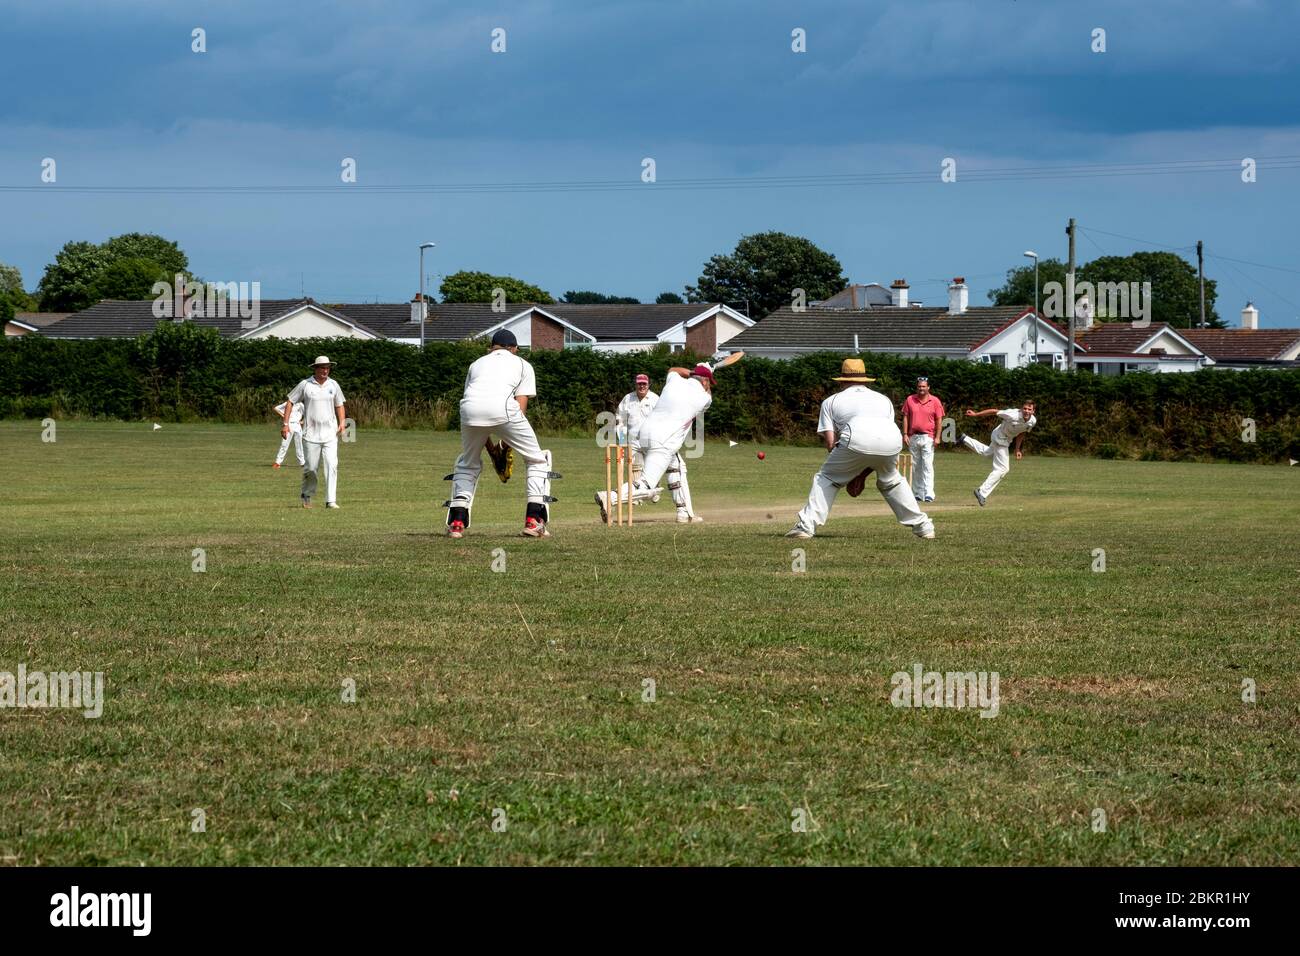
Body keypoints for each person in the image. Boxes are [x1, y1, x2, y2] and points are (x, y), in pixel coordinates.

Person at [785, 358, 934, 540]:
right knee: (891, 480)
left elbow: (831, 445)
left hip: (855, 436)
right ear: (865, 380)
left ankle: (805, 526)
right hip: (892, 438)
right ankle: (924, 527)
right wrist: (861, 474)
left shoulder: (831, 401)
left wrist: (851, 475)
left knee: (827, 477)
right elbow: (878, 442)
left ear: (842, 381)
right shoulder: (884, 400)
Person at [446, 330, 556, 539]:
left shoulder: (476, 364)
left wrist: (494, 450)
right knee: (537, 459)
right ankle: (533, 520)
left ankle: (457, 522)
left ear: (492, 347)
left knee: (468, 463)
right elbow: (520, 406)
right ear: (514, 349)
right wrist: (505, 446)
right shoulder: (522, 364)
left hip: (468, 410)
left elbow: (478, 410)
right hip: (503, 409)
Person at [596, 364, 713, 524]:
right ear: (705, 382)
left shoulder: (674, 381)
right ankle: (610, 497)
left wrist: (694, 371)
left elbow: (673, 369)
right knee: (646, 483)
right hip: (664, 442)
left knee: (677, 468)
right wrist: (707, 375)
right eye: (708, 382)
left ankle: (684, 512)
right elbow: (708, 395)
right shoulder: (702, 398)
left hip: (644, 435)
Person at [284, 357, 347, 509]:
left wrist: (342, 423)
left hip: (330, 434)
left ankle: (330, 500)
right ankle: (307, 494)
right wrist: (285, 424)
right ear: (315, 369)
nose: (325, 371)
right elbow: (290, 401)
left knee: (332, 465)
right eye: (322, 368)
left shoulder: (333, 385)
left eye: (327, 368)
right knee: (311, 468)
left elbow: (339, 404)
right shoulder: (305, 384)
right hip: (310, 434)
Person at [960, 401, 1037, 506]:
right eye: (1025, 408)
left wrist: (1017, 449)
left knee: (987, 453)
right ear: (1021, 409)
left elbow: (1022, 432)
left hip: (1006, 439)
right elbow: (994, 411)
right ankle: (981, 492)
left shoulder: (1032, 421)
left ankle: (964, 439)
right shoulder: (1012, 414)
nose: (1026, 411)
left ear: (1033, 411)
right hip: (1000, 437)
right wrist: (976, 414)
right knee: (1003, 469)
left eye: (1029, 409)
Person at [616, 373, 661, 501]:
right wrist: (622, 439)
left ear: (648, 385)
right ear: (635, 385)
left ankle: (654, 490)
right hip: (632, 439)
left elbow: (661, 419)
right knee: (630, 465)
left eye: (644, 384)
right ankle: (632, 496)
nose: (642, 386)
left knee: (652, 465)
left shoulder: (654, 399)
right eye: (639, 384)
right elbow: (620, 418)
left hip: (651, 439)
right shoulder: (628, 398)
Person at [901, 375, 944, 503]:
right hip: (913, 436)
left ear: (928, 387)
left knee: (927, 465)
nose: (921, 388)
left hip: (928, 437)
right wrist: (905, 434)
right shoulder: (910, 399)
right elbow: (905, 417)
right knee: (916, 466)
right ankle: (918, 493)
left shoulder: (935, 401)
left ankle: (929, 493)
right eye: (919, 386)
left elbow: (939, 420)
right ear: (917, 387)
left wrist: (937, 437)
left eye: (924, 386)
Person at [272, 400, 304, 469]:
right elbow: (276, 408)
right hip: (288, 425)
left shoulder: (300, 404)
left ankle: (302, 463)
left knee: (299, 445)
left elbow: (308, 414)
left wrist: (303, 421)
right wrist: (284, 416)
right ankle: (278, 462)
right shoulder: (287, 403)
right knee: (284, 444)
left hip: (297, 426)